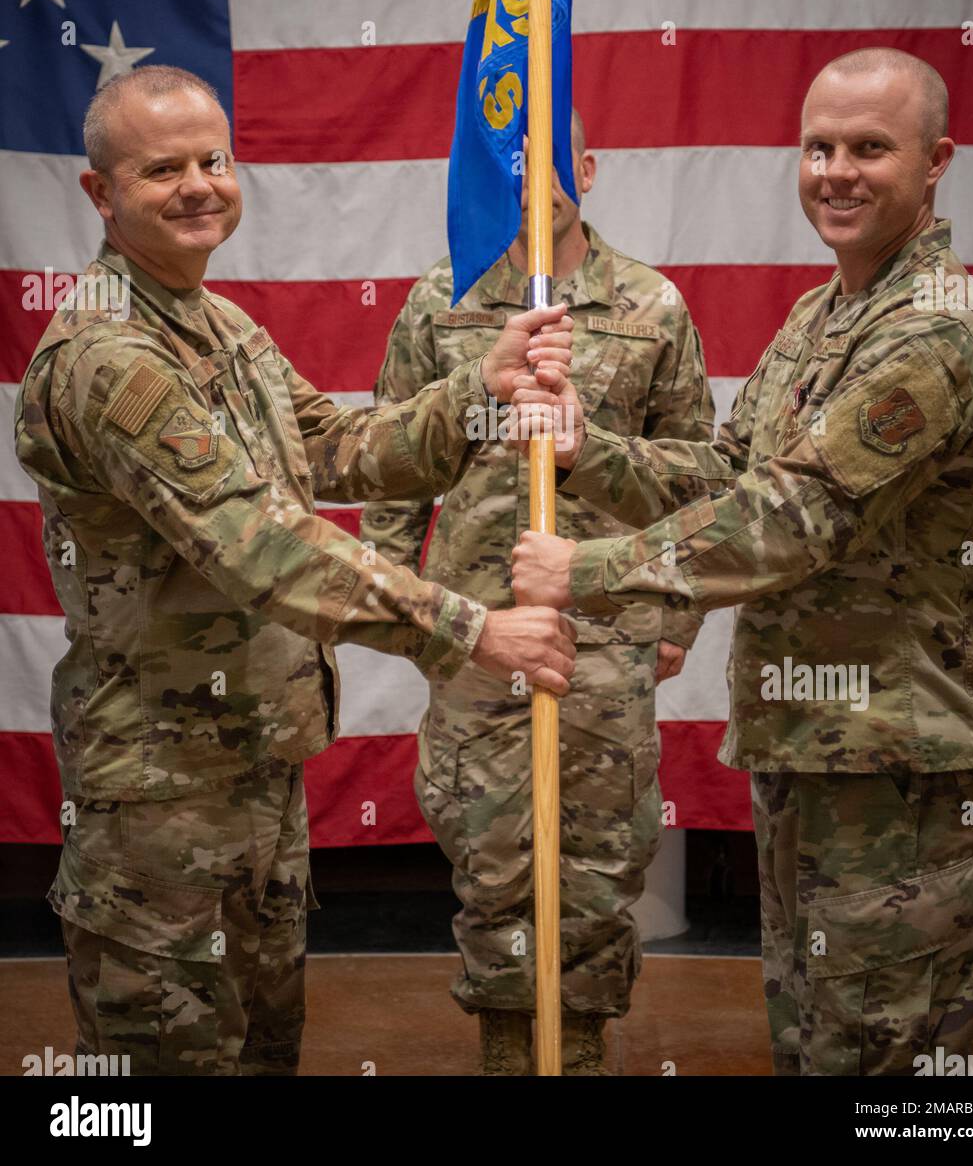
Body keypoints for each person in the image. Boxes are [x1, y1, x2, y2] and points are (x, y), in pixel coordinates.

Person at [14, 65, 577, 1076]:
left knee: (264, 1053)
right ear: (101, 195)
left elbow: (332, 446)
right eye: (161, 169)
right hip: (159, 799)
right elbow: (261, 543)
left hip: (254, 771)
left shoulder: (215, 325)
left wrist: (474, 390)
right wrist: (469, 629)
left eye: (212, 160)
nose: (198, 184)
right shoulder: (112, 357)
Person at [510, 49, 973, 1076]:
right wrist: (590, 451)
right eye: (817, 146)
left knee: (887, 1072)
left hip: (903, 770)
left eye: (868, 149)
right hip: (811, 750)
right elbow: (731, 472)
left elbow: (791, 517)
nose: (834, 171)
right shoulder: (818, 317)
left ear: (936, 161)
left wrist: (590, 570)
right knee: (812, 1050)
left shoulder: (933, 337)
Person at [360, 109, 715, 1074]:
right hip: (478, 636)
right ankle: (509, 1056)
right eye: (511, 159)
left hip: (602, 638)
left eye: (550, 156)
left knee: (599, 871)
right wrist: (408, 615)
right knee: (492, 865)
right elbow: (391, 471)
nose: (530, 177)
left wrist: (675, 612)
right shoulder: (444, 300)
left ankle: (584, 1054)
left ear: (588, 169)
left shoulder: (653, 307)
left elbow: (699, 479)